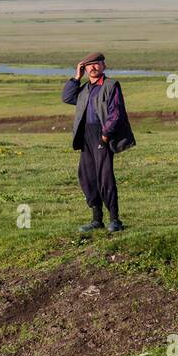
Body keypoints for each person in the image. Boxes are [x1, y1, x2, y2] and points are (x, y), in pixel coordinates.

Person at [61, 53, 135, 232]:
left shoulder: (111, 85)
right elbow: (67, 97)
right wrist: (76, 77)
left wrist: (105, 135)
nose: (93, 68)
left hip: (102, 135)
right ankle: (96, 220)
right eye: (88, 66)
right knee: (87, 176)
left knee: (105, 176)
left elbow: (115, 112)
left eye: (96, 64)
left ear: (104, 66)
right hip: (85, 136)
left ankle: (115, 220)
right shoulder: (84, 89)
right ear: (84, 68)